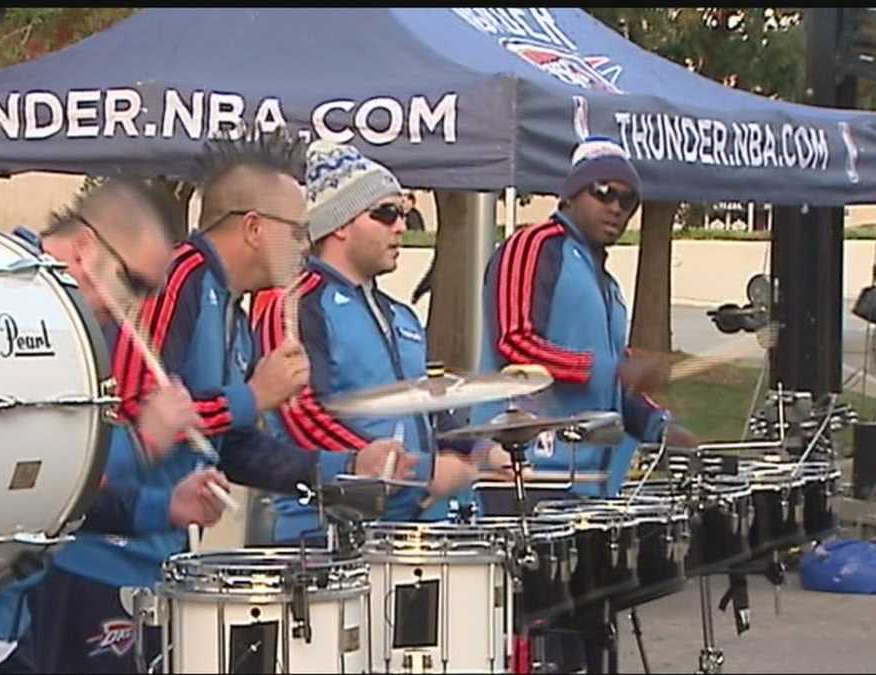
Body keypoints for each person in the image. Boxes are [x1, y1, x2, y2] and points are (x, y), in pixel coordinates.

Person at [22, 130, 405, 674]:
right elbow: (134, 413)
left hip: (158, 560)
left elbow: (234, 448)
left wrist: (344, 469)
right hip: (99, 562)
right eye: (297, 231)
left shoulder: (236, 312)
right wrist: (252, 396)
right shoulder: (175, 280)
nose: (306, 246)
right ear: (253, 228)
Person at [0, 180, 229, 674]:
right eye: (132, 283)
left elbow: (46, 506)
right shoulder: (0, 298)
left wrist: (165, 506)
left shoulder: (60, 320)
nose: (135, 308)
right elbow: (6, 465)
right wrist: (140, 443)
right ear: (86, 248)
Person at [470, 136, 698, 673]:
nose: (617, 207)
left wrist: (663, 427)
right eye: (605, 192)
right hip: (529, 478)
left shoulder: (608, 285)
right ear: (572, 194)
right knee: (541, 644)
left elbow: (612, 389)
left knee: (590, 641)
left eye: (628, 200)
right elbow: (515, 340)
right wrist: (608, 368)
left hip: (591, 488)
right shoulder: (534, 246)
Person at [252, 140, 507, 544]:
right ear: (340, 224)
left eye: (404, 213)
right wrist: (417, 472)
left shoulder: (401, 315)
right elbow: (300, 419)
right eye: (386, 214)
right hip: (326, 535)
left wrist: (485, 450)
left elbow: (428, 408)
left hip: (408, 533)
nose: (401, 226)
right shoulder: (296, 306)